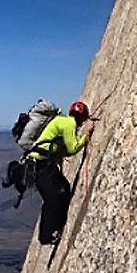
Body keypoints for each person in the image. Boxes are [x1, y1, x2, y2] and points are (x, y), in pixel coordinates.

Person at [27, 100, 94, 245]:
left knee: (62, 190)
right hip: (41, 166)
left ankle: (56, 226)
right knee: (54, 198)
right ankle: (46, 236)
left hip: (39, 164)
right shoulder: (69, 124)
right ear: (82, 117)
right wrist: (87, 134)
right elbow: (73, 148)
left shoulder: (62, 121)